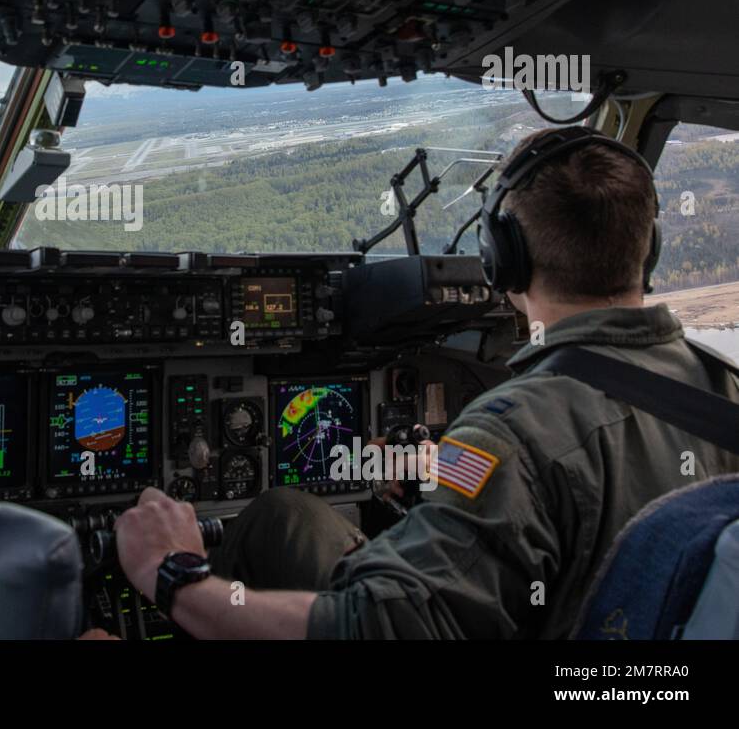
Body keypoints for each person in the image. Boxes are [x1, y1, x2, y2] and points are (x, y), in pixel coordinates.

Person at [112, 127, 739, 638]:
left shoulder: (512, 429)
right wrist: (446, 486)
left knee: (278, 515)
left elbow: (377, 628)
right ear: (648, 248)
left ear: (503, 258)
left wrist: (173, 574)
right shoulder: (724, 390)